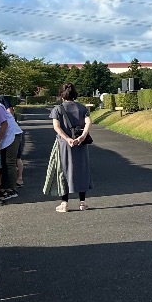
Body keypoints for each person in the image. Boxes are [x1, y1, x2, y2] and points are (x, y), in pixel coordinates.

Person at [50, 83, 92, 212]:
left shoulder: (58, 109)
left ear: (61, 94)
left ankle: (64, 203)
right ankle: (82, 203)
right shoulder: (82, 108)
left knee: (63, 171)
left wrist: (67, 138)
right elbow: (89, 122)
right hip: (81, 143)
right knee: (81, 170)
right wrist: (83, 136)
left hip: (64, 144)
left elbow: (56, 126)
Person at [0, 94, 24, 187]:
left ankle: (13, 185)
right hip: (12, 132)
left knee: (11, 161)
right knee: (14, 159)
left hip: (12, 134)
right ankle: (18, 179)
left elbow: (9, 113)